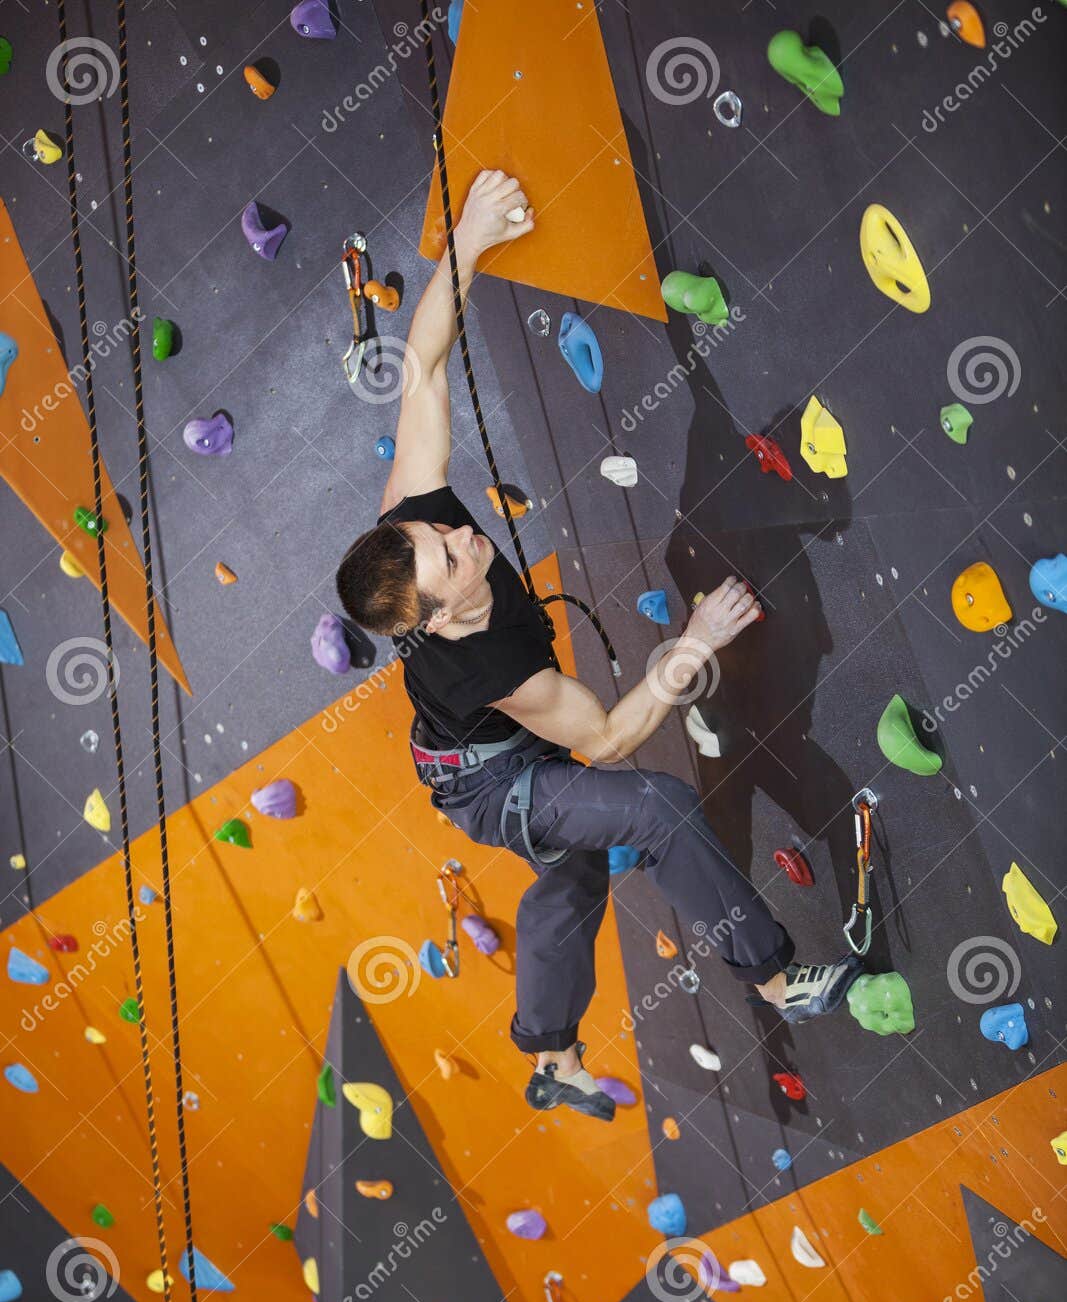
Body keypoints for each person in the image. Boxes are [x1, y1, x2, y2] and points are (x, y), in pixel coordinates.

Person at [336, 169, 861, 1122]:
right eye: (449, 558)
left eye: (439, 533)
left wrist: (469, 239)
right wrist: (696, 638)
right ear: (435, 616)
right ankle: (773, 976)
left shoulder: (412, 523)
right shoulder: (483, 661)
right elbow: (610, 739)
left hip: (477, 738)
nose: (461, 536)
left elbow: (421, 363)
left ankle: (549, 1054)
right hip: (486, 779)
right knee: (651, 807)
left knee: (573, 876)